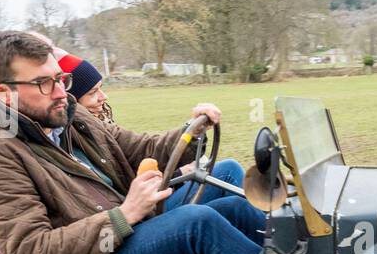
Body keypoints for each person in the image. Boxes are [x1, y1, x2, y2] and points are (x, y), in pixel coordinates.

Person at [0, 30, 266, 254]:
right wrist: (125, 214)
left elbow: (138, 149)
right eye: (42, 83)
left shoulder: (69, 115)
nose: (60, 92)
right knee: (197, 222)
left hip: (126, 223)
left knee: (232, 194)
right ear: (2, 94)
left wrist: (191, 131)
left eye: (60, 79)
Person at [54, 47, 247, 205]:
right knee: (222, 183)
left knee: (230, 188)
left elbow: (145, 148)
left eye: (101, 89)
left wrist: (193, 130)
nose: (103, 97)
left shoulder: (95, 128)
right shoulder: (58, 147)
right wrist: (177, 175)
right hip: (134, 218)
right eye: (93, 92)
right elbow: (111, 195)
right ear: (71, 100)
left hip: (145, 203)